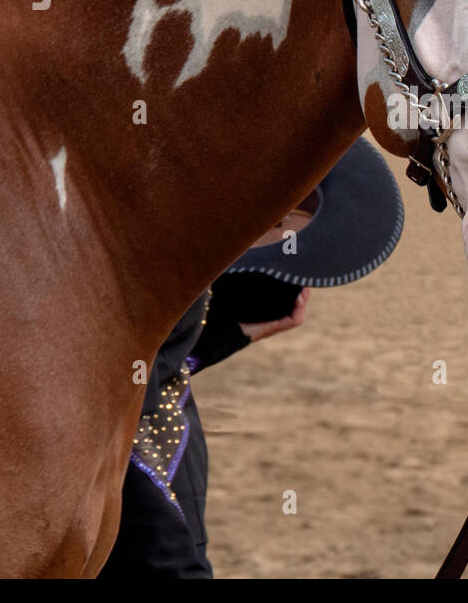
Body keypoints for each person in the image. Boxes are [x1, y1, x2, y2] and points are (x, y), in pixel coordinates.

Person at [99, 139, 404, 578]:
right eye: (287, 221)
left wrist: (228, 336)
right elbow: (120, 387)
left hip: (154, 445)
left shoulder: (185, 249)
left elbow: (160, 356)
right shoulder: (156, 237)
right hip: (135, 460)